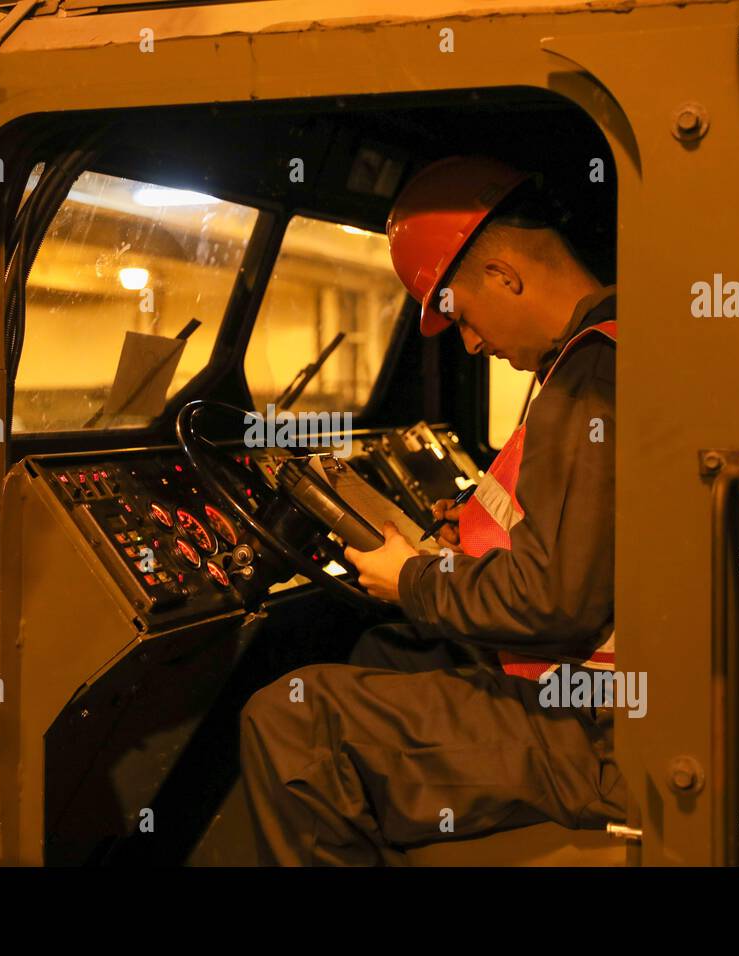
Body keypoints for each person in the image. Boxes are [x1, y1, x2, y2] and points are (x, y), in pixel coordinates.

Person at [239, 155, 627, 865]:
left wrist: (414, 580)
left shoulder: (592, 377)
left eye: (465, 317)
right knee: (383, 651)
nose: (473, 342)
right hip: (599, 694)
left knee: (291, 717)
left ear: (504, 274)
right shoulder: (591, 357)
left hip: (602, 729)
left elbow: (553, 603)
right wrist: (464, 543)